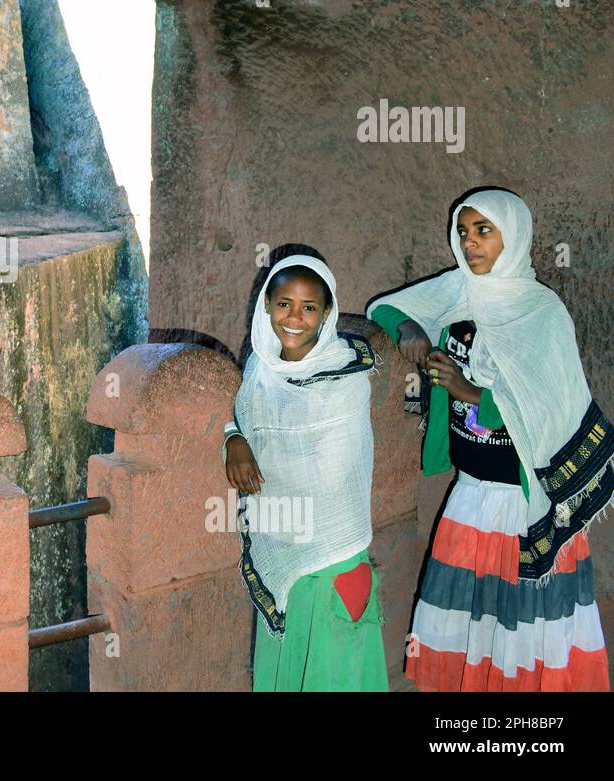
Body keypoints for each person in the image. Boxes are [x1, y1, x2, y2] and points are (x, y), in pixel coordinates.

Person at [367, 188, 610, 691]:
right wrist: (412, 326)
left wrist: (467, 390)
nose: (471, 243)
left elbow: (545, 406)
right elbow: (384, 308)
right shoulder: (459, 290)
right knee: (469, 619)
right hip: (472, 494)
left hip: (524, 502)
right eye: (463, 231)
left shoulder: (541, 311)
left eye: (484, 231)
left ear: (514, 235)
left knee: (522, 626)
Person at [224, 254, 388, 691]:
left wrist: (267, 461)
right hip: (285, 560)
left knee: (333, 676)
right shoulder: (261, 367)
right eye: (283, 304)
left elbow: (330, 476)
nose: (294, 318)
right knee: (288, 672)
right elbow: (245, 417)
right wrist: (233, 440)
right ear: (266, 306)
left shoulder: (344, 379)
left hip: (332, 559)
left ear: (326, 313)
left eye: (309, 307)